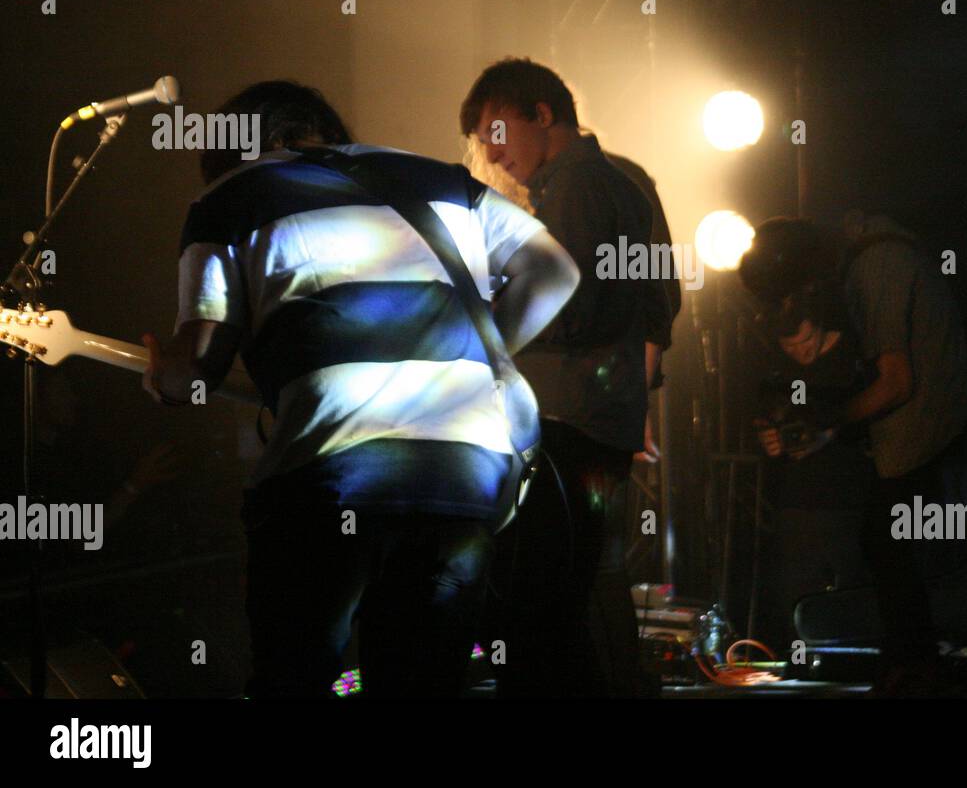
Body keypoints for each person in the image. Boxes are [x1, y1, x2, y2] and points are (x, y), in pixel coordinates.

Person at [143, 80, 579, 697]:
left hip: (331, 477)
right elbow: (555, 269)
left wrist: (163, 374)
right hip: (465, 474)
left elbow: (198, 369)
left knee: (293, 679)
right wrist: (480, 357)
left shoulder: (226, 198)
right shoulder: (439, 178)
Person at [460, 58, 669, 696]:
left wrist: (486, 315)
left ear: (541, 115)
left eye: (496, 132)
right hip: (594, 418)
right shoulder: (618, 184)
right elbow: (654, 304)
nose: (492, 155)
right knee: (562, 598)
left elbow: (570, 304)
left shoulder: (574, 185)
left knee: (536, 604)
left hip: (564, 419)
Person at [739, 214, 967, 695]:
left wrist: (832, 422)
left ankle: (914, 666)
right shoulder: (872, 259)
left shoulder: (877, 268)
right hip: (914, 431)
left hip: (923, 428)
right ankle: (910, 662)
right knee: (888, 545)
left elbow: (895, 381)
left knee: (889, 544)